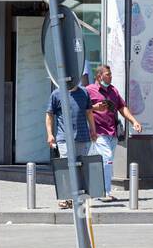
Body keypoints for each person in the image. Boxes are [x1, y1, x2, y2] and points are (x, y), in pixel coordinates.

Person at [85, 64, 142, 202]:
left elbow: (122, 108)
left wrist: (134, 121)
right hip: (98, 132)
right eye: (108, 74)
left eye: (110, 74)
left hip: (112, 133)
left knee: (105, 162)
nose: (111, 77)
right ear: (99, 76)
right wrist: (94, 108)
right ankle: (105, 191)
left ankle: (97, 190)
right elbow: (82, 109)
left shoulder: (113, 90)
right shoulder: (89, 91)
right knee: (107, 159)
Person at [45, 80, 96, 210]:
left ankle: (80, 197)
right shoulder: (56, 94)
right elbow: (49, 114)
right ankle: (66, 199)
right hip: (64, 138)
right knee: (66, 168)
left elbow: (89, 112)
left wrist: (93, 130)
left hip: (83, 137)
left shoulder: (84, 92)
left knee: (81, 168)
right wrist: (50, 134)